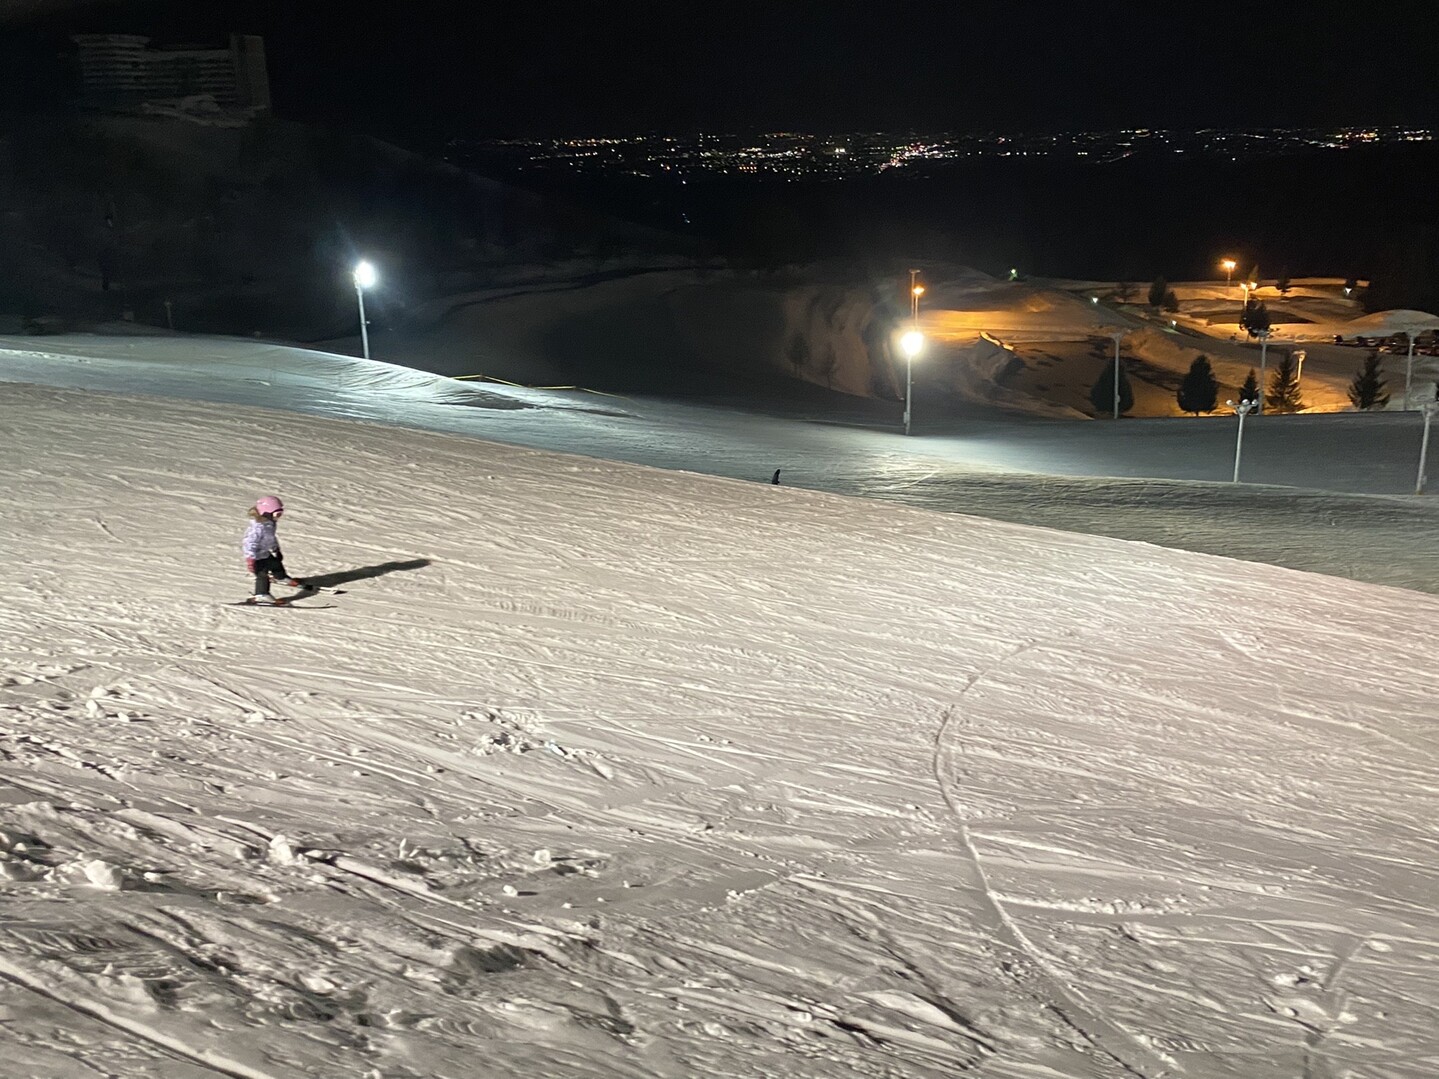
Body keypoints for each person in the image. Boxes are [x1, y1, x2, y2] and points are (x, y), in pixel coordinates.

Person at [242, 495, 304, 603]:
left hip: (265, 552)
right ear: (267, 513)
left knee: (276, 564)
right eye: (277, 514)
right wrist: (250, 559)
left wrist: (276, 549)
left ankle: (281, 577)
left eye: (280, 513)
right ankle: (262, 594)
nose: (279, 517)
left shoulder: (270, 524)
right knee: (262, 575)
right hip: (256, 556)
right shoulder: (257, 528)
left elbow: (271, 538)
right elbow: (249, 544)